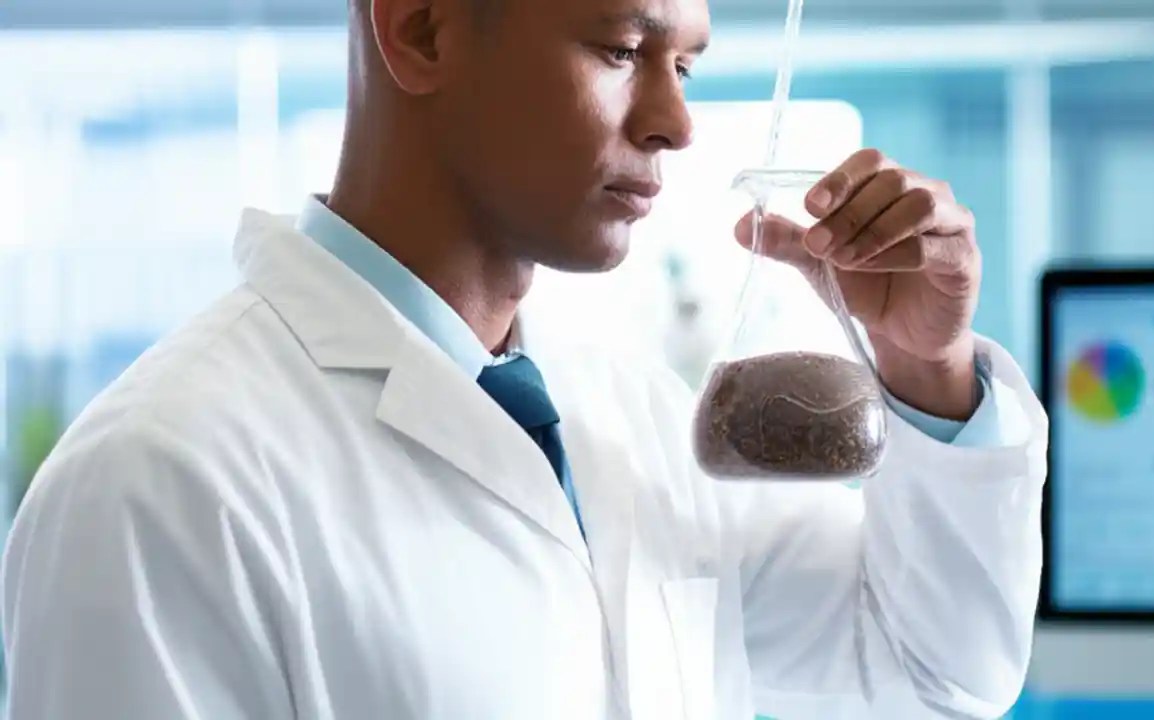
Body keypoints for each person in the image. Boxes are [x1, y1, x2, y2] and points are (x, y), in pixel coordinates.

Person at [1, 0, 1048, 717]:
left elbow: (932, 677)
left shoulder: (636, 418)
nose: (676, 123)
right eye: (617, 47)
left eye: (682, 63)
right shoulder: (159, 483)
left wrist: (923, 366)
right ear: (419, 29)